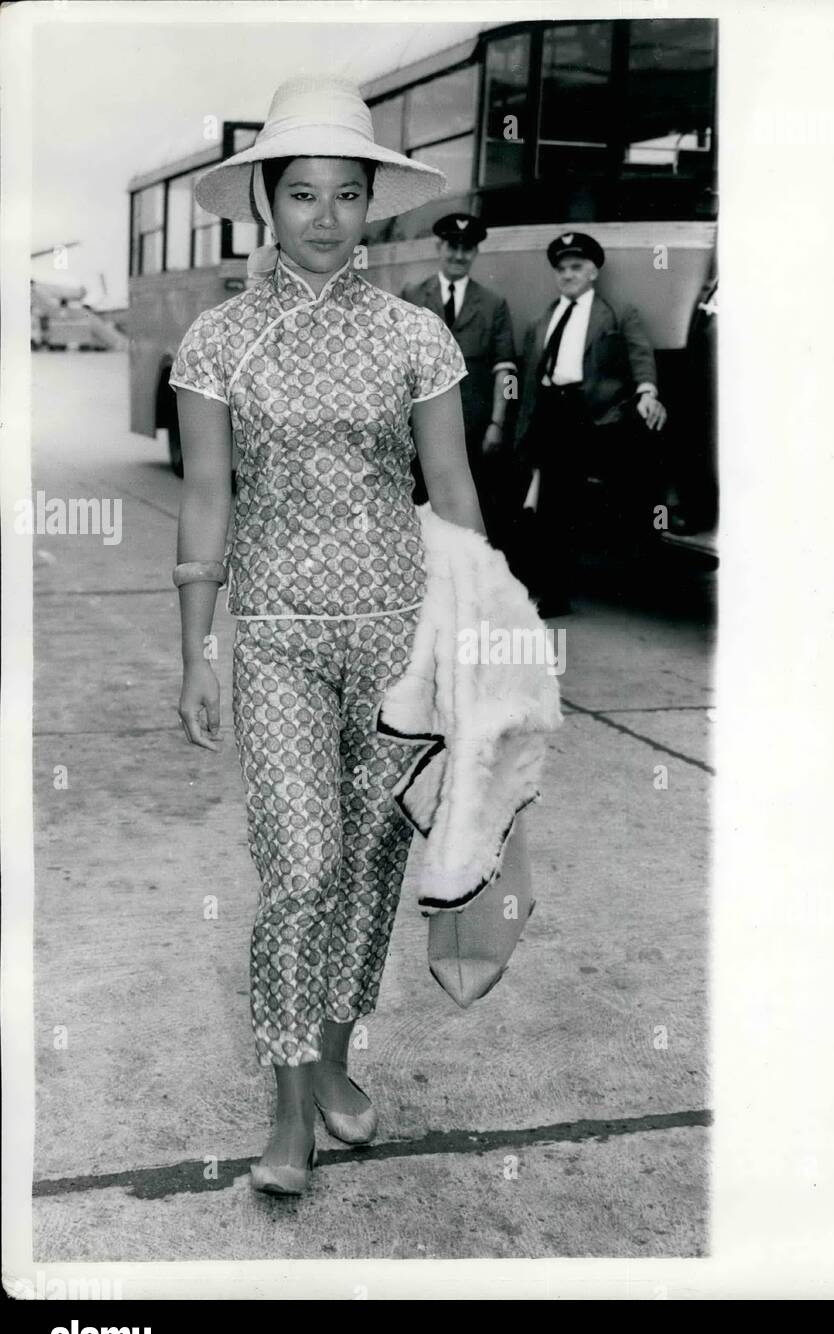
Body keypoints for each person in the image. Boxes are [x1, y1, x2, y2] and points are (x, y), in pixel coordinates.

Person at [169, 74, 486, 1196]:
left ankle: (338, 1061)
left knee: (368, 862)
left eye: (346, 195)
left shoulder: (418, 335)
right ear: (265, 199)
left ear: (372, 204)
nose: (323, 217)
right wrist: (198, 646)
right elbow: (208, 498)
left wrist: (470, 638)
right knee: (299, 865)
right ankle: (289, 1110)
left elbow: (450, 488)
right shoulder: (217, 342)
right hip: (277, 639)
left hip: (398, 639)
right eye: (300, 193)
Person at [513, 231, 667, 616]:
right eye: (562, 269)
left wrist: (648, 392)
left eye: (577, 267)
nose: (568, 275)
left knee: (612, 498)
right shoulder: (542, 319)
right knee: (552, 505)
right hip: (553, 410)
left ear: (594, 271)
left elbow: (639, 354)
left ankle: (642, 582)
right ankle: (552, 593)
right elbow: (531, 379)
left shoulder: (614, 314)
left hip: (595, 414)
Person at [401, 213, 518, 553]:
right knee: (417, 506)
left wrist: (498, 421)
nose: (458, 255)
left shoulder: (494, 304)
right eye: (452, 246)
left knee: (469, 513)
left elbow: (505, 370)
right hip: (417, 425)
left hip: (473, 426)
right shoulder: (412, 295)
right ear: (440, 247)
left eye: (467, 249)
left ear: (476, 253)